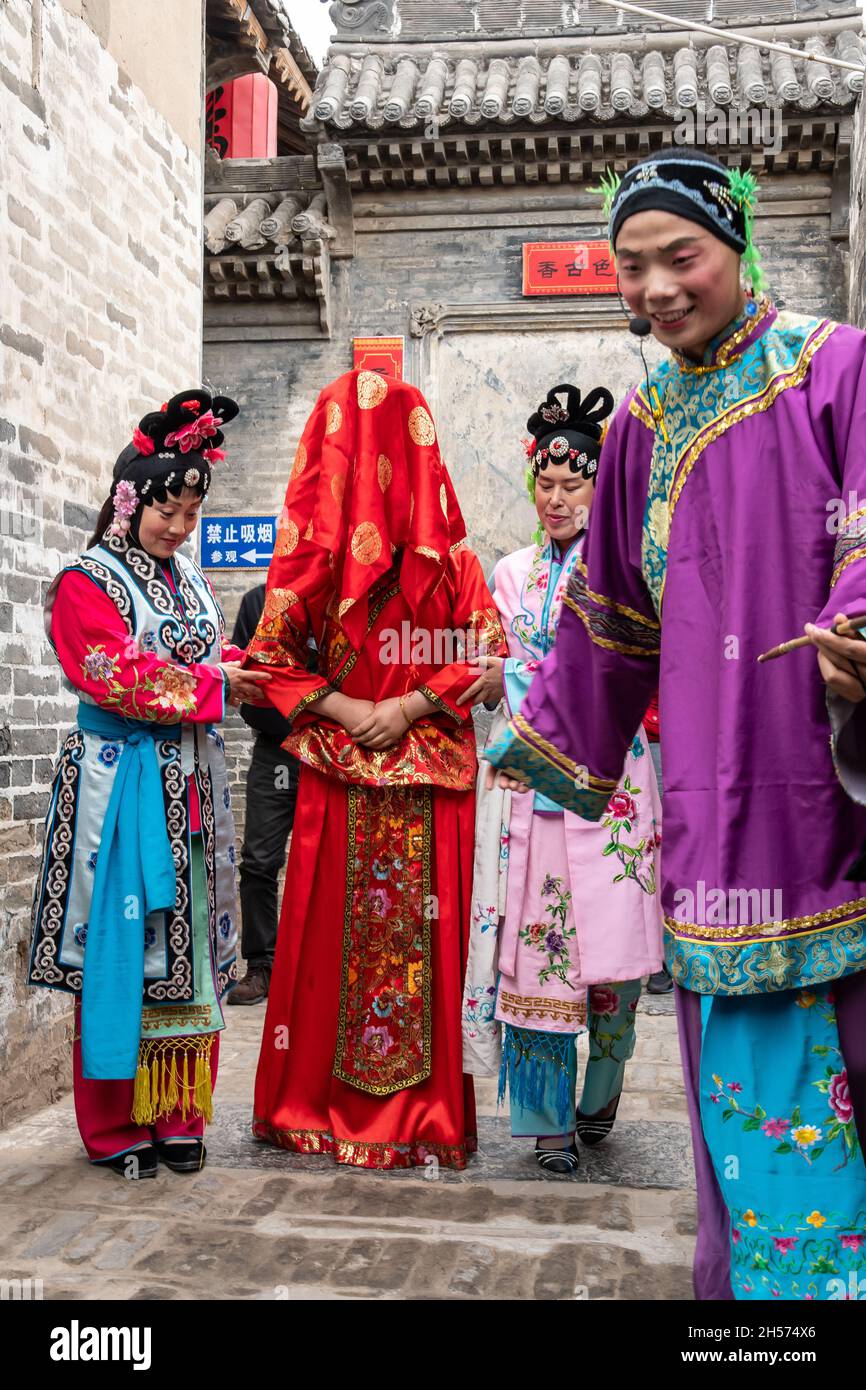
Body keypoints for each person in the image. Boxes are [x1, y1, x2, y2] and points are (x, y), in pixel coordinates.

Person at [485, 149, 866, 1300]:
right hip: (714, 812)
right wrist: (545, 751)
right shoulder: (642, 423)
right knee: (751, 1106)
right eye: (629, 265)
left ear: (736, 247)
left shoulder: (832, 367)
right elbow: (607, 616)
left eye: (678, 256)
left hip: (832, 780)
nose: (652, 287)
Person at [245, 368, 506, 1170]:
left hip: (426, 784)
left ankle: (418, 1116)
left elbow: (489, 653)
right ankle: (317, 1109)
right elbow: (267, 662)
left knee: (425, 947)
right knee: (325, 957)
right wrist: (344, 707)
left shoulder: (452, 562)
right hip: (336, 777)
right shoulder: (307, 569)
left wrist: (409, 705)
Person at [28, 390, 270, 1177]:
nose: (179, 526)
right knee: (122, 948)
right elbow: (111, 674)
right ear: (130, 500)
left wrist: (233, 671)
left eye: (192, 512)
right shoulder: (85, 580)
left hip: (193, 787)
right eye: (167, 508)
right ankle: (111, 1123)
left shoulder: (189, 580)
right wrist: (220, 684)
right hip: (123, 787)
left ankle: (179, 1110)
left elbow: (205, 662)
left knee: (191, 948)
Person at [460, 383, 663, 1173]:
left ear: (600, 486)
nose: (555, 499)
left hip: (612, 785)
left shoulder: (630, 570)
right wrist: (506, 671)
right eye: (544, 484)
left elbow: (629, 668)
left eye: (572, 485)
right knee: (536, 951)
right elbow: (508, 662)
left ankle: (601, 1089)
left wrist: (512, 671)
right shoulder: (509, 575)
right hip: (528, 792)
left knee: (613, 957)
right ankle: (547, 1120)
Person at [228, 583, 298, 1005]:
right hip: (276, 752)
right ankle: (261, 966)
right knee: (258, 861)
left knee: (331, 859)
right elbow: (241, 683)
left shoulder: (337, 598)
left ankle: (322, 964)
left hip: (332, 749)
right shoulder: (257, 601)